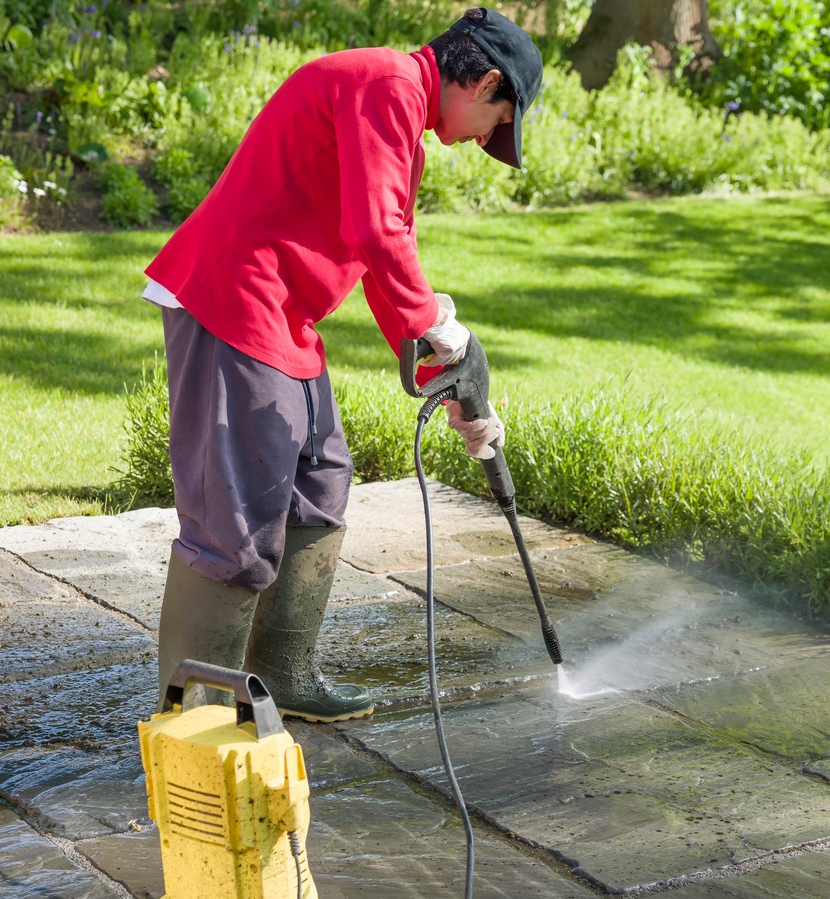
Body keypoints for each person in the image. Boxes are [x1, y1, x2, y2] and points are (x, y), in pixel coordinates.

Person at [141, 8, 543, 722]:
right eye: (497, 119)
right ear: (481, 81)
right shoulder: (385, 85)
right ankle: (193, 719)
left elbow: (384, 260)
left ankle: (282, 677)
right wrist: (440, 328)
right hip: (231, 298)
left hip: (282, 315)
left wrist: (447, 384)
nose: (486, 138)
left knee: (319, 478)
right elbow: (377, 233)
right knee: (234, 514)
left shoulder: (400, 118)